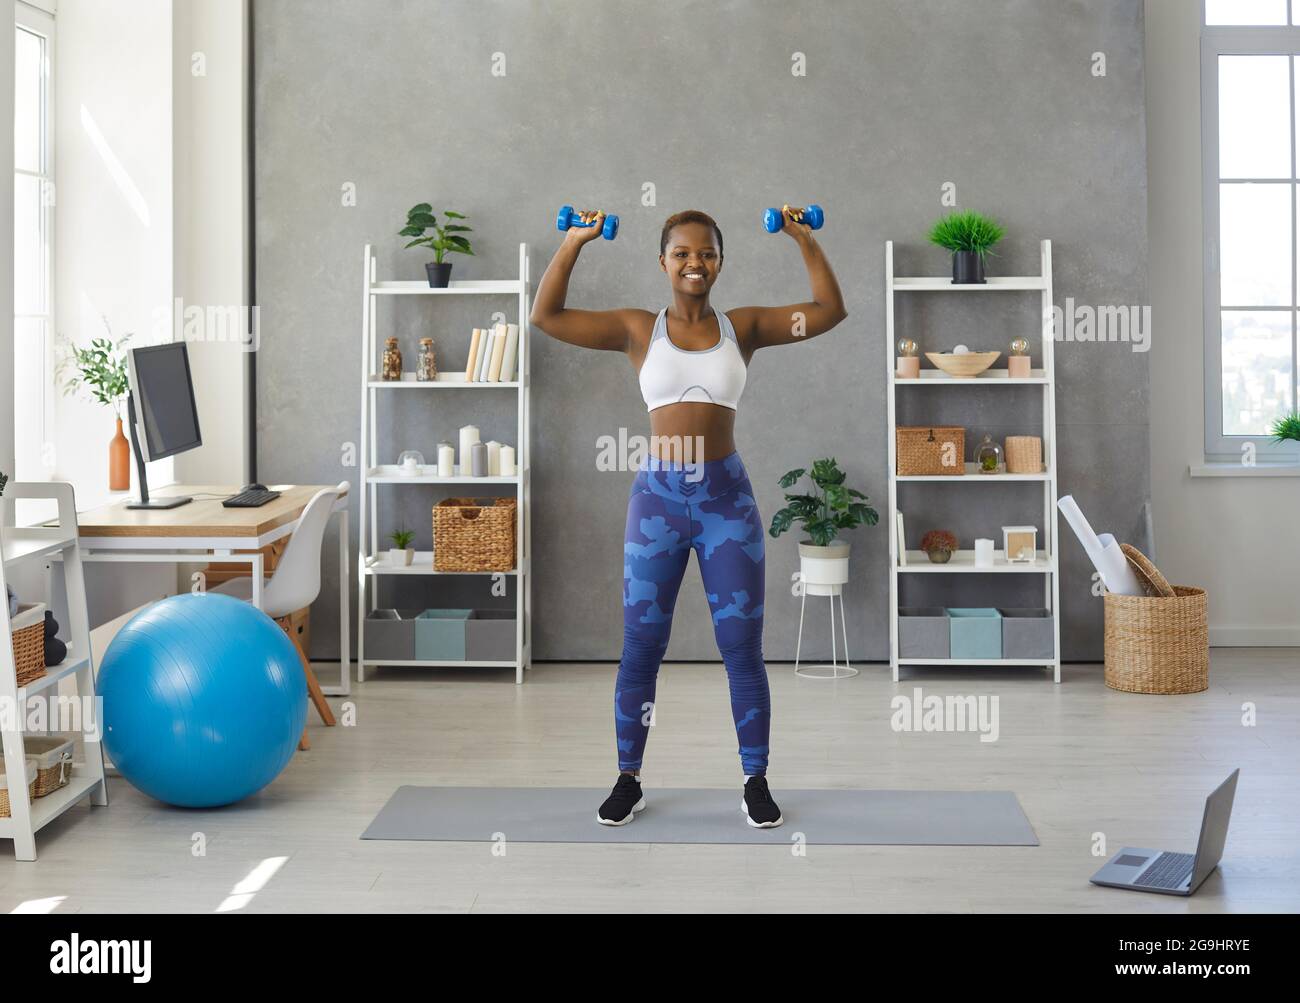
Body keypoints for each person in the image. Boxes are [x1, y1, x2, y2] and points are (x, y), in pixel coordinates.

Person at [530, 206, 848, 827]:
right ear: (663, 262)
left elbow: (830, 311)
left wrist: (803, 238)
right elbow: (546, 316)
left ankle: (755, 779)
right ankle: (628, 778)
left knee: (741, 649)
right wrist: (574, 241)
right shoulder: (635, 329)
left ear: (720, 261)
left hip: (727, 501)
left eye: (706, 253)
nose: (694, 263)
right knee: (640, 647)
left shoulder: (745, 328)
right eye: (681, 253)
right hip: (660, 500)